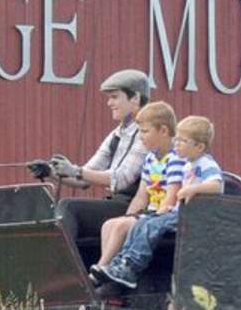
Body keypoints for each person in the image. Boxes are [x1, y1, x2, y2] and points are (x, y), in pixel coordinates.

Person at [95, 116, 223, 292]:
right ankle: (121, 264)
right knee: (141, 223)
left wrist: (192, 190)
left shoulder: (205, 163)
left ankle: (133, 266)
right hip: (179, 212)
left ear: (199, 147)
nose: (176, 144)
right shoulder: (188, 165)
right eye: (176, 139)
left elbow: (217, 185)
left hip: (194, 217)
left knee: (152, 226)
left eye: (183, 141)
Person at [29, 69, 153, 200]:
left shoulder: (146, 133)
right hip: (117, 201)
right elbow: (84, 179)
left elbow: (122, 179)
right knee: (67, 206)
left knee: (69, 206)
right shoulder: (116, 135)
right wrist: (51, 172)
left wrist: (75, 171)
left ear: (135, 98)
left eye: (114, 97)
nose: (109, 103)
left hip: (137, 206)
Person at [92, 102, 177, 276]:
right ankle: (110, 272)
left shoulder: (178, 158)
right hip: (150, 211)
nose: (141, 137)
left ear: (163, 131)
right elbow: (141, 197)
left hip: (165, 216)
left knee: (121, 226)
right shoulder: (151, 159)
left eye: (145, 132)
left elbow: (173, 195)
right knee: (109, 225)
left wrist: (132, 221)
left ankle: (99, 272)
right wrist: (129, 216)